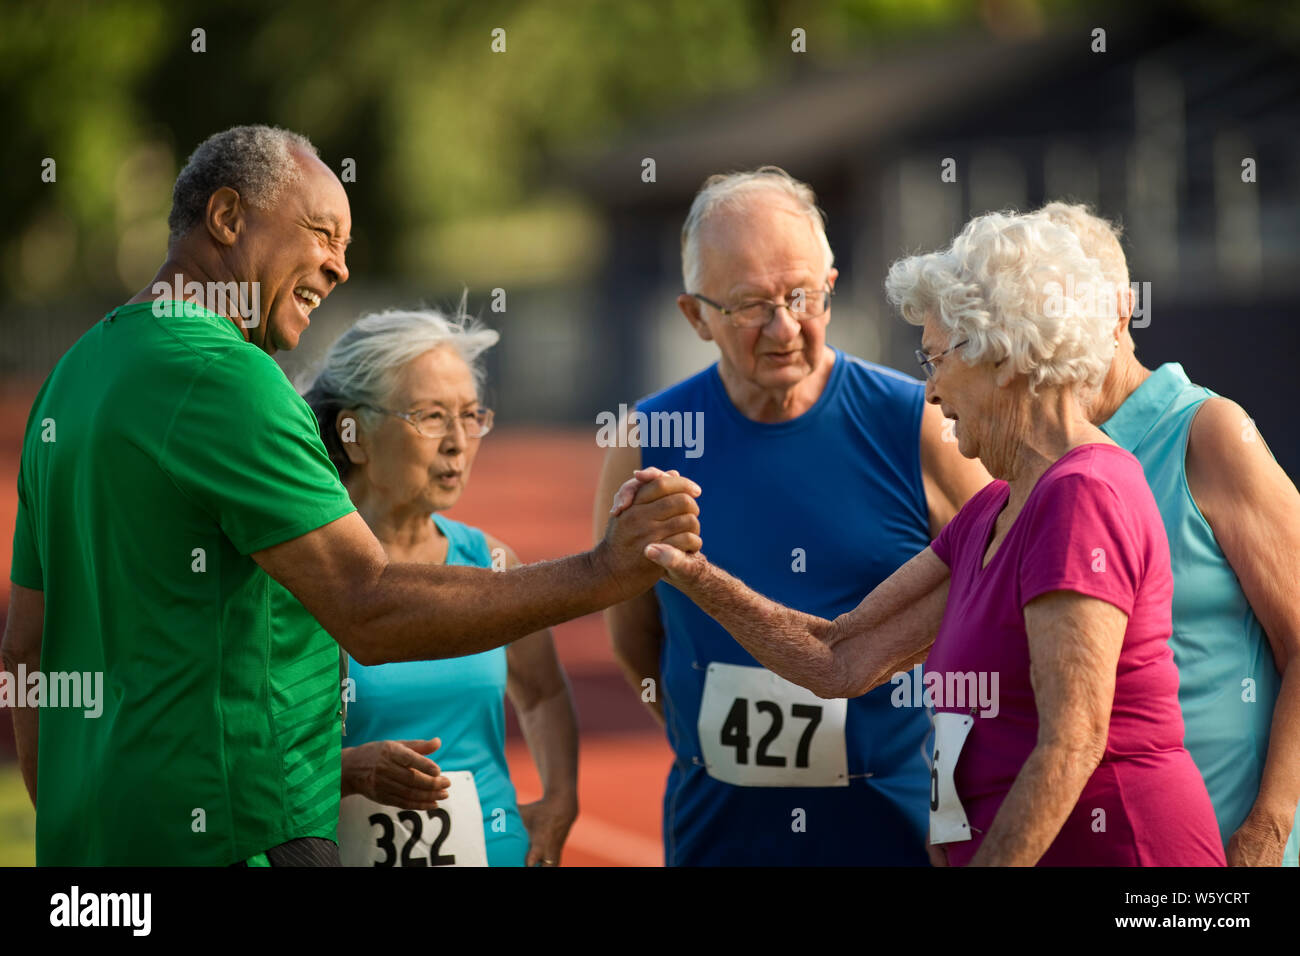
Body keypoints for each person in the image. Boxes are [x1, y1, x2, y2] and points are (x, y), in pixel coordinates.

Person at [2, 124, 699, 866]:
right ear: (228, 218)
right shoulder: (230, 378)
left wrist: (76, 828)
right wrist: (602, 571)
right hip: (245, 840)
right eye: (321, 234)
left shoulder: (71, 377)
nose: (338, 267)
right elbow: (369, 604)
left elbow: (26, 646)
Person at [636, 210, 1226, 865]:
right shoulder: (995, 508)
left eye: (937, 357)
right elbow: (839, 658)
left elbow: (1072, 741)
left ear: (1000, 356)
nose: (932, 388)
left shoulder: (1082, 493)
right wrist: (690, 571)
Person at [595, 167, 990, 866]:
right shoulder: (648, 440)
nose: (784, 328)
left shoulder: (919, 424)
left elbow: (995, 610)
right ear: (696, 316)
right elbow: (635, 640)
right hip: (721, 835)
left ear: (831, 290)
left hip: (899, 837)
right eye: (750, 305)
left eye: (801, 295)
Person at [1039, 201, 1300, 866]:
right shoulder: (1033, 464)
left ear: (1122, 312)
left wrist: (1269, 827)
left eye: (1064, 316)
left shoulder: (1208, 432)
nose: (1049, 344)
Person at [301, 306, 578, 867]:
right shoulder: (302, 574)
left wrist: (559, 800)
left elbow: (543, 692)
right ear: (354, 435)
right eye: (431, 416)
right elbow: (245, 750)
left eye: (471, 416)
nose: (458, 442)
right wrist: (350, 772)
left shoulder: (492, 561)